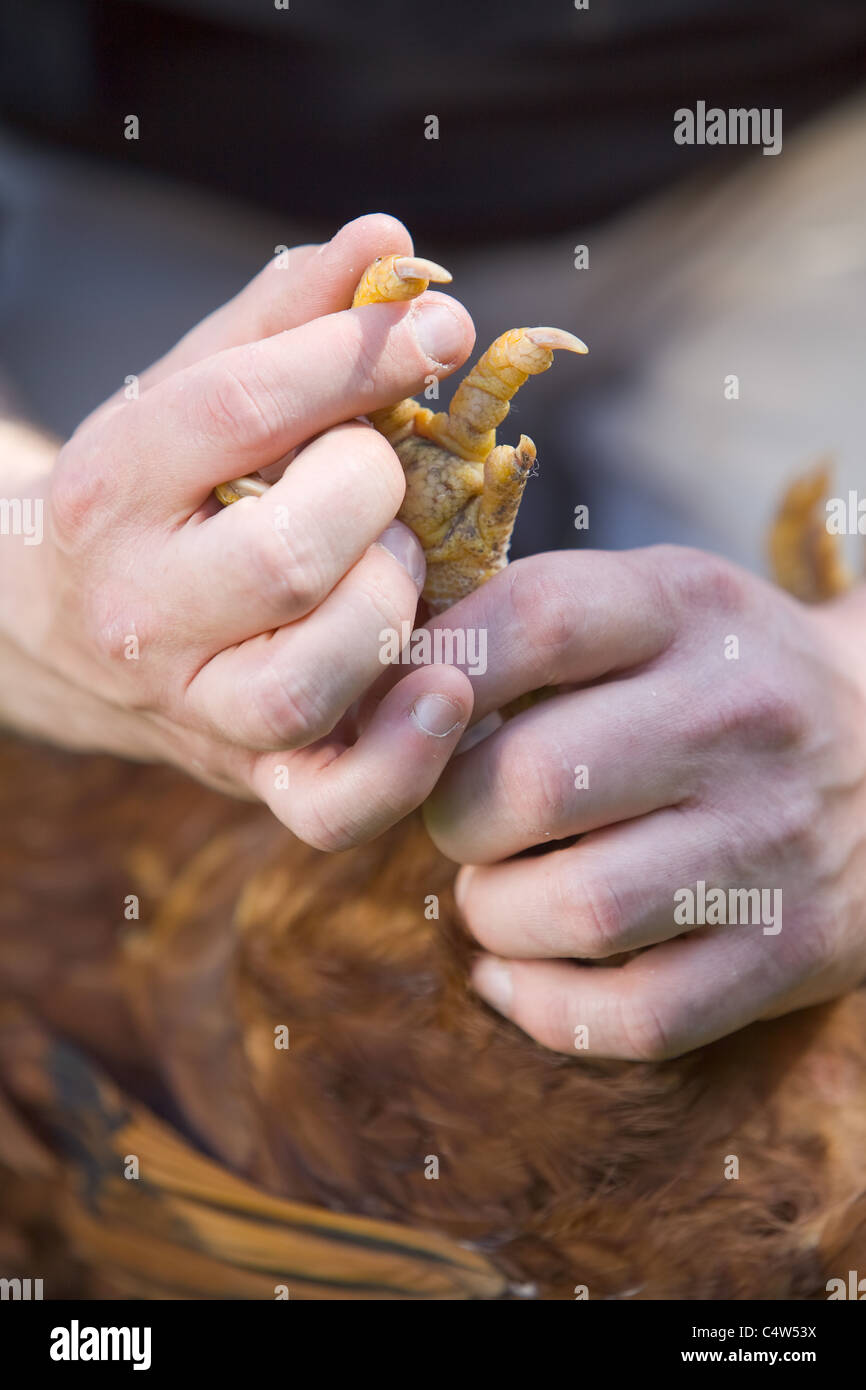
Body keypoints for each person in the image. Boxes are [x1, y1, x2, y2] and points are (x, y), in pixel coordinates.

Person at [2, 207, 865, 1065]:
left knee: (725, 845)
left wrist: (852, 686)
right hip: (144, 197)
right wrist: (32, 586)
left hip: (789, 181)